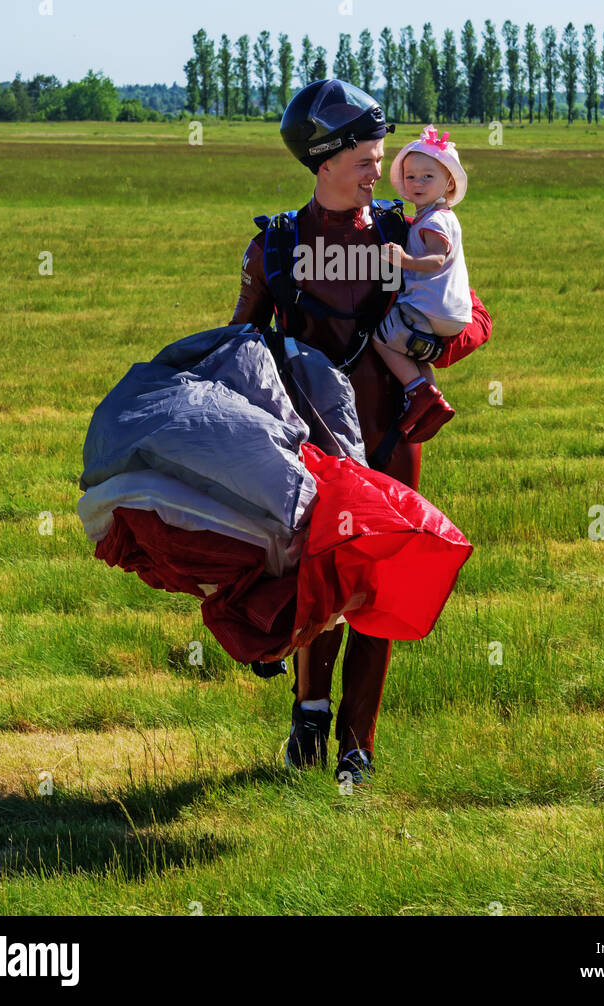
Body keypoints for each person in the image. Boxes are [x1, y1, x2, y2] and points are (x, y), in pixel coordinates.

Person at [229, 79, 419, 787]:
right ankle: (309, 713)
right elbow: (240, 344)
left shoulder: (406, 234)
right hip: (311, 448)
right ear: (324, 163)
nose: (380, 167)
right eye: (367, 157)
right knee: (317, 578)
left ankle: (356, 748)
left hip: (394, 441)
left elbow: (471, 317)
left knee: (376, 588)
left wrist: (430, 352)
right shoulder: (275, 245)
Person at [373, 126, 471, 442]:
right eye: (412, 176)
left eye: (428, 177)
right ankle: (431, 401)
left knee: (382, 338)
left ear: (449, 182)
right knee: (413, 353)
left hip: (432, 306)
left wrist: (403, 260)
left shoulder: (434, 221)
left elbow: (435, 261)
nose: (418, 183)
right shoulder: (441, 215)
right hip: (449, 313)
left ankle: (417, 393)